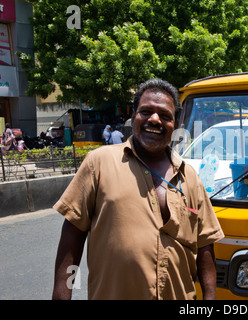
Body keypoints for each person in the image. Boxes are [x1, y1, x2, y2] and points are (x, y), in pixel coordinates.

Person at [52, 78, 224, 300]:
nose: (154, 119)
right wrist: (62, 293)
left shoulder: (190, 177)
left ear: (175, 123)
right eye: (146, 112)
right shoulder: (99, 163)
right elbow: (72, 237)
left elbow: (205, 248)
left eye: (164, 115)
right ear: (133, 116)